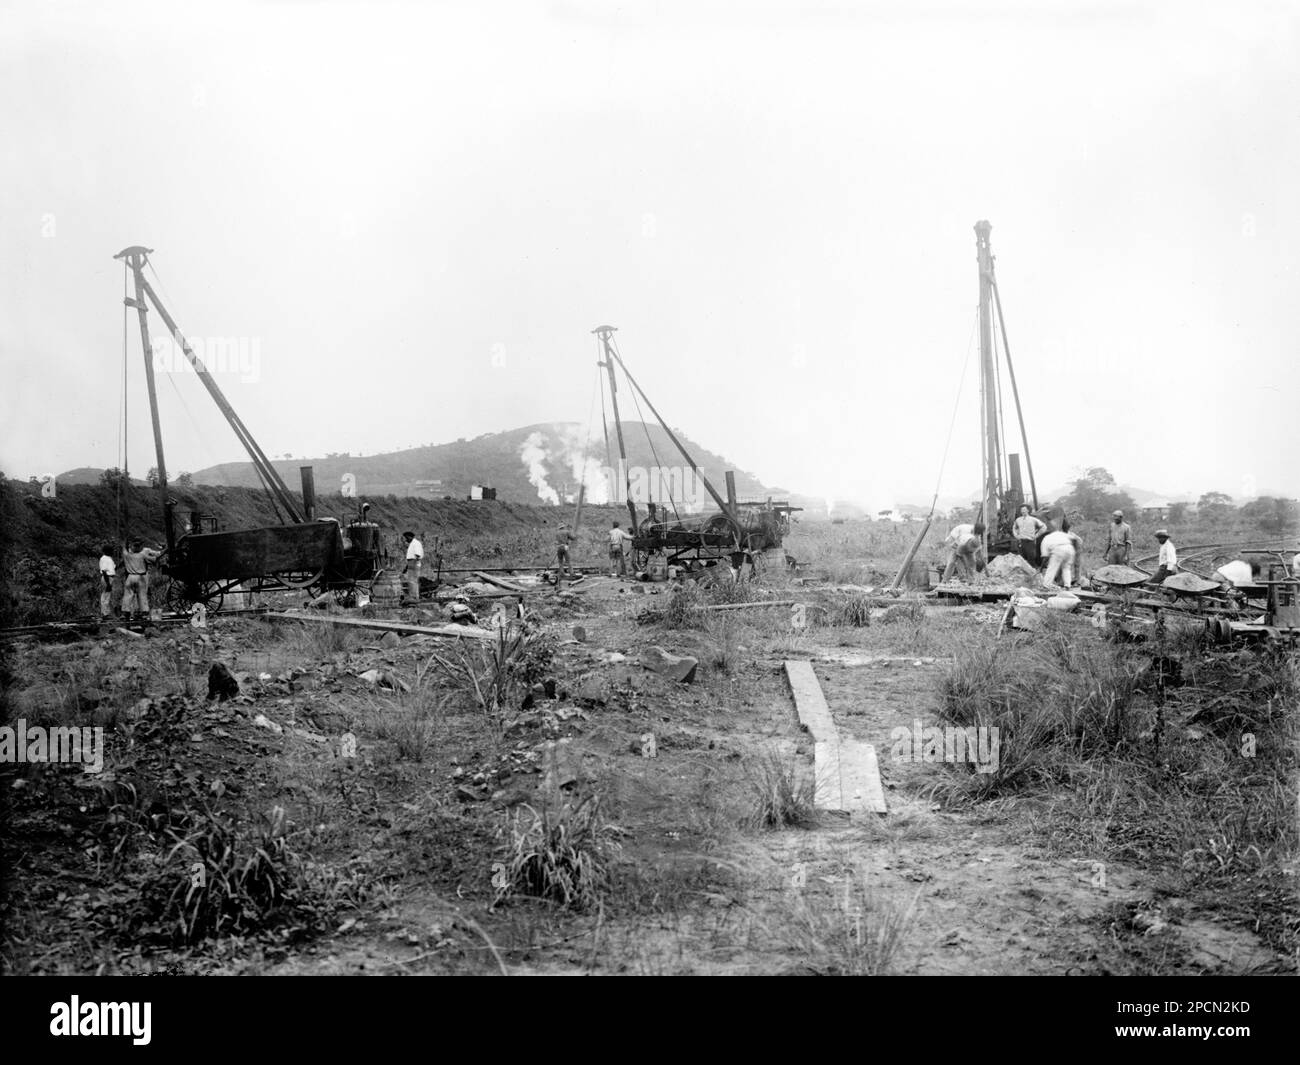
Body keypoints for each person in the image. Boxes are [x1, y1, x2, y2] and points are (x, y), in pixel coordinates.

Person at [121, 539, 161, 620]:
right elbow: (154, 559)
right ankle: (144, 613)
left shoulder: (126, 555)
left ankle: (126, 613)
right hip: (140, 577)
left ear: (132, 548)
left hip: (130, 577)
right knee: (142, 595)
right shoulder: (142, 555)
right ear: (139, 548)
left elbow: (123, 548)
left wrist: (126, 543)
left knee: (128, 595)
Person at [1040, 523, 1076, 589]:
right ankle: (1067, 585)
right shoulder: (1059, 533)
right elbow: (1074, 538)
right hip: (1070, 548)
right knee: (1066, 568)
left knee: (1052, 567)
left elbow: (1045, 557)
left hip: (1059, 549)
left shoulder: (1045, 539)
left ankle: (1046, 585)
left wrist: (1041, 569)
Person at [401, 531, 423, 604]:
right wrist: (406, 568)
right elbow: (411, 557)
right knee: (411, 581)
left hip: (414, 564)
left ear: (409, 536)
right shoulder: (412, 544)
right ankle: (413, 596)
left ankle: (414, 597)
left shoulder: (416, 543)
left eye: (406, 537)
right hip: (411, 564)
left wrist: (412, 566)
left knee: (413, 581)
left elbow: (417, 555)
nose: (406, 539)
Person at [98, 544, 116, 620]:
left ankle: (106, 613)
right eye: (111, 551)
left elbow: (112, 569)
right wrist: (108, 583)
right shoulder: (104, 558)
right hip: (107, 578)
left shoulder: (109, 558)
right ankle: (105, 614)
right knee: (105, 596)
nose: (112, 552)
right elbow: (104, 571)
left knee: (107, 595)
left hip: (109, 577)